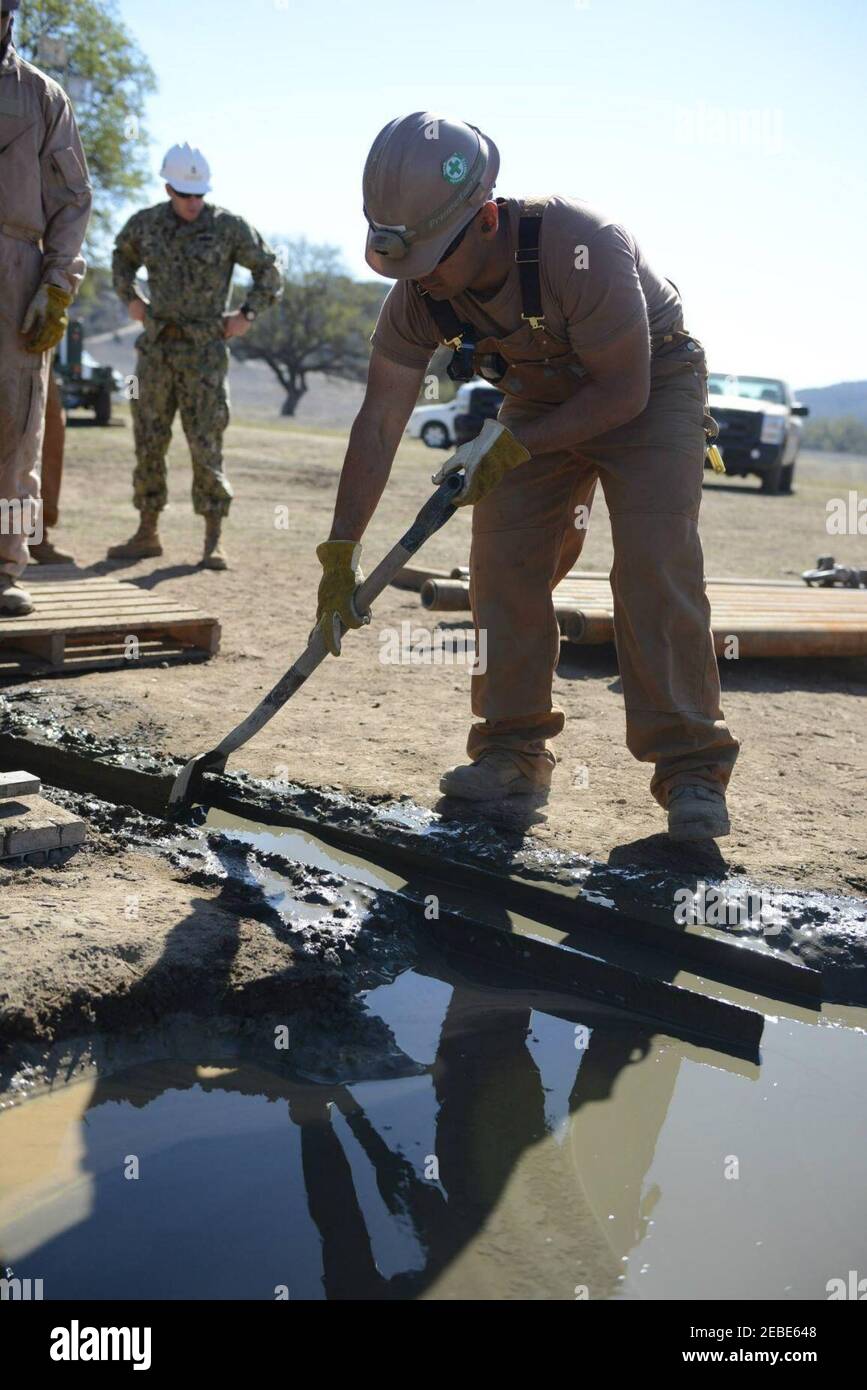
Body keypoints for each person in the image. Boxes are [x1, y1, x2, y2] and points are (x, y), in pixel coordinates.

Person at [314, 112, 739, 842]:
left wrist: (510, 447)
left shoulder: (582, 244)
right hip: (539, 396)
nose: (422, 284)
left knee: (652, 563)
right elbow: (380, 420)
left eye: (432, 263)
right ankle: (513, 752)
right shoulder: (418, 291)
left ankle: (691, 770)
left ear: (483, 217)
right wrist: (339, 552)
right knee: (501, 564)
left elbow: (621, 394)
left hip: (647, 384)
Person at [108, 143, 282, 569]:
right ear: (168, 188)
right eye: (185, 194)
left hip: (205, 355)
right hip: (155, 352)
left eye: (199, 194)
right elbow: (120, 257)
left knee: (206, 444)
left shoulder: (228, 228)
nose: (193, 202)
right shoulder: (145, 225)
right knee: (149, 440)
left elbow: (269, 270)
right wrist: (130, 298)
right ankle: (147, 532)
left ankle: (212, 541)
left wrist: (247, 313)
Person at [0, 0, 91, 614]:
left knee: (17, 424)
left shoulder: (41, 96)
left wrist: (56, 285)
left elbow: (72, 200)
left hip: (15, 271)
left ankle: (6, 565)